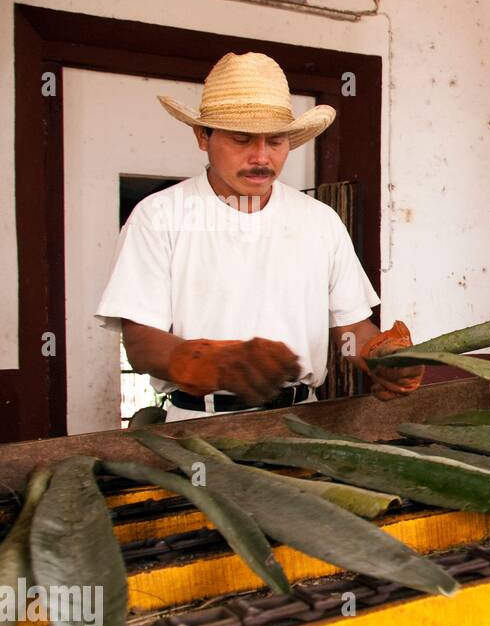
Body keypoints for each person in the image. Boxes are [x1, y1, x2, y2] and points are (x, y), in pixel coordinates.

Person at [96, 52, 421, 421]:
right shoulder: (159, 217)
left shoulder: (320, 221)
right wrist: (221, 364)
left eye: (276, 141)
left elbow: (352, 329)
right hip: (197, 424)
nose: (261, 157)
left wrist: (382, 357)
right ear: (203, 136)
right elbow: (141, 346)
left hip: (303, 421)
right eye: (242, 139)